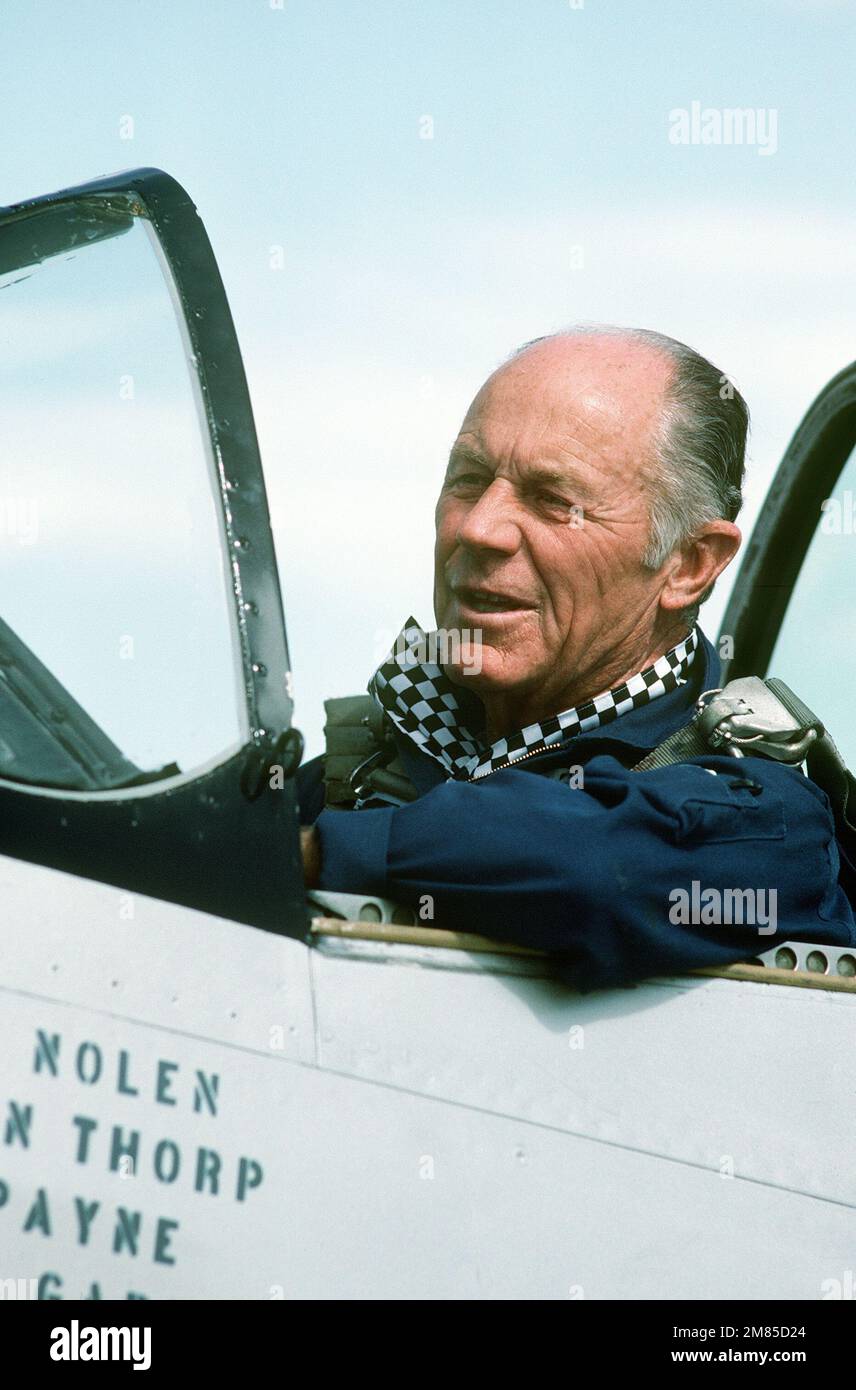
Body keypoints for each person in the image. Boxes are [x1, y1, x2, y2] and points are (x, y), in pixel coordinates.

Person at [296, 327, 855, 989]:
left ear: (688, 564)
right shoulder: (360, 766)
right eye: (469, 482)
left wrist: (320, 852)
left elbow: (598, 869)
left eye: (555, 501)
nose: (479, 528)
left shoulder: (765, 818)